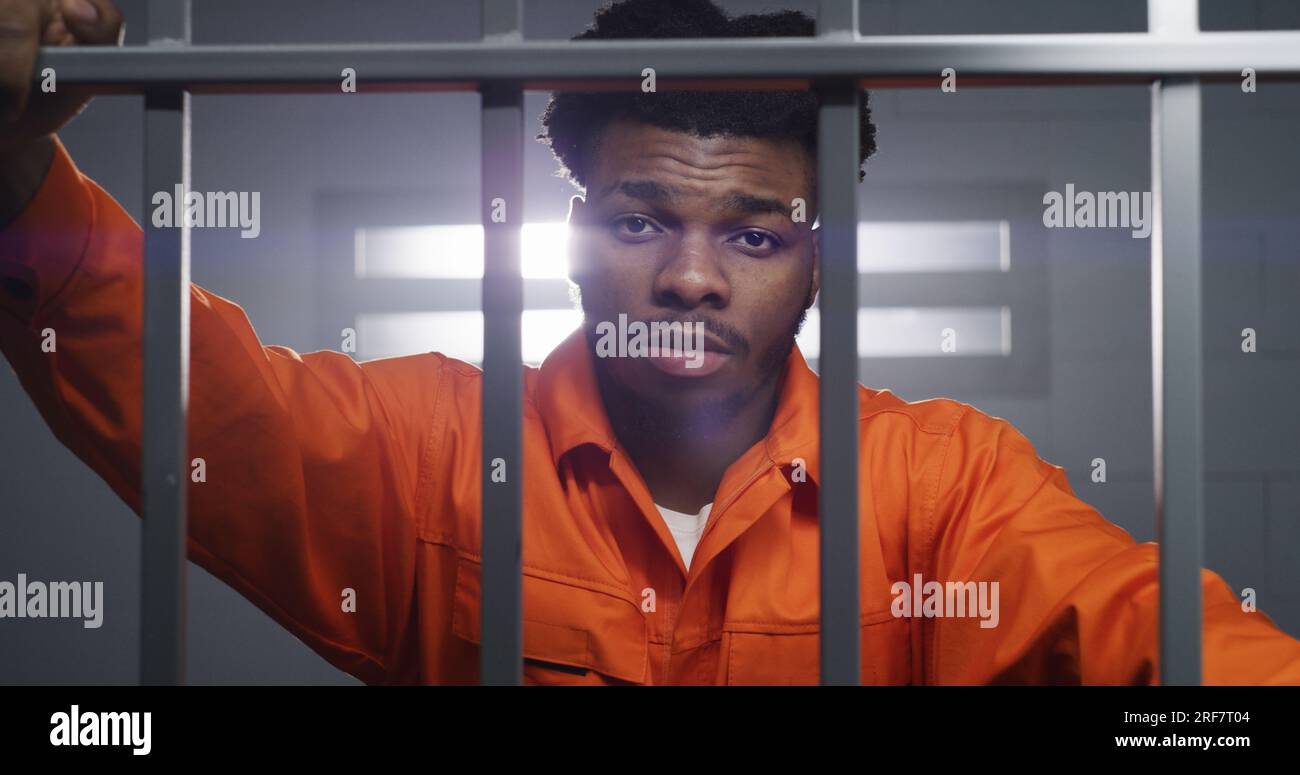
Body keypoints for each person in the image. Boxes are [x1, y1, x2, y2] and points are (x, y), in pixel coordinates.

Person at [2, 0, 1297, 685]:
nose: (684, 276)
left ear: (822, 261)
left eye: (753, 234)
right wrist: (11, 164)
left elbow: (1158, 639)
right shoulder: (445, 455)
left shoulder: (939, 490)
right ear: (567, 233)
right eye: (639, 218)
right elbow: (191, 400)